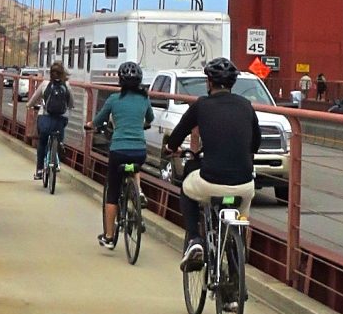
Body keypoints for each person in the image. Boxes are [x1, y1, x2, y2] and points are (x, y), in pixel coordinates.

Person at [164, 56, 260, 272]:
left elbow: (177, 135)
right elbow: (256, 143)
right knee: (241, 214)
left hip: (211, 181)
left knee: (187, 190)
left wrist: (171, 148)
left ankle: (195, 239)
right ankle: (236, 281)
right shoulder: (246, 105)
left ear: (209, 82)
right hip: (244, 185)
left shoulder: (201, 105)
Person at [92, 62, 154, 250]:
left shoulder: (113, 99)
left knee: (112, 192)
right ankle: (138, 192)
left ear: (120, 80)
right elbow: (150, 119)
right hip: (139, 151)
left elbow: (99, 119)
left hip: (118, 150)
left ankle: (110, 237)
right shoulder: (144, 100)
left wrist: (90, 125)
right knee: (135, 166)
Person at [31, 61, 72, 179]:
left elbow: (34, 99)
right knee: (59, 135)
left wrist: (29, 105)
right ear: (63, 73)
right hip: (60, 120)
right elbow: (71, 103)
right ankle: (58, 152)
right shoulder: (67, 86)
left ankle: (39, 171)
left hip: (45, 119)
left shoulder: (45, 84)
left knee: (42, 142)